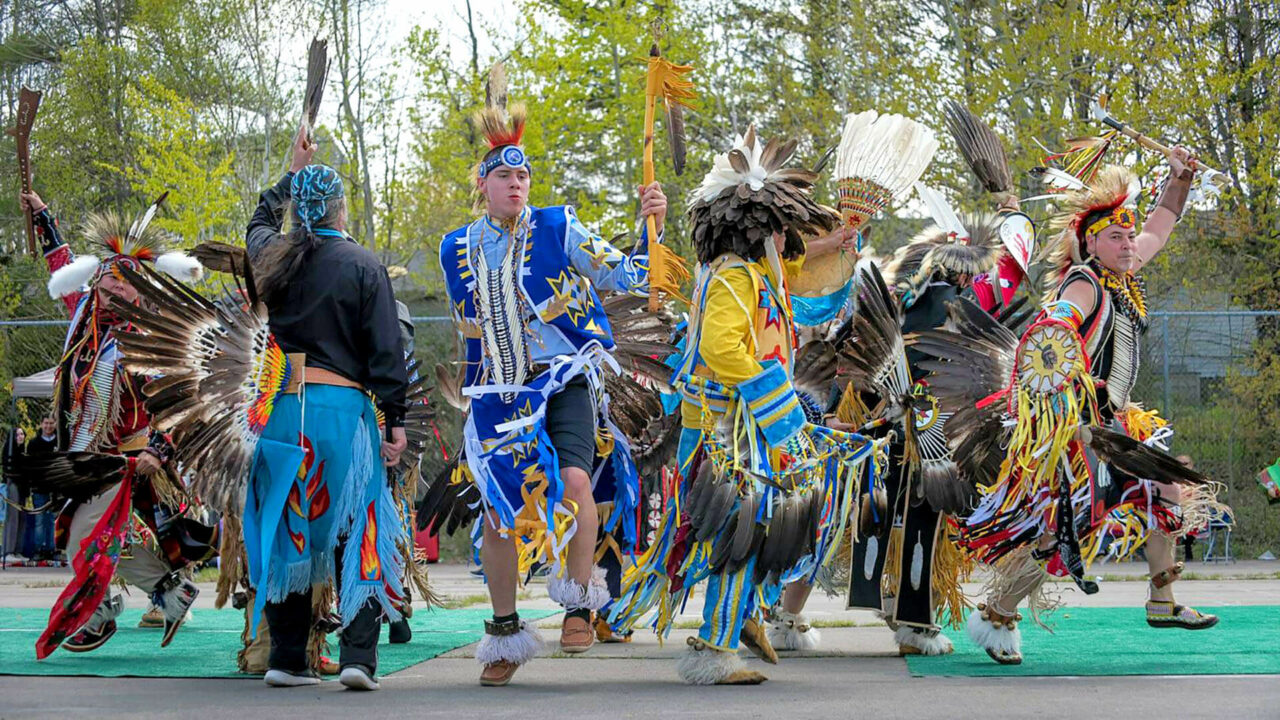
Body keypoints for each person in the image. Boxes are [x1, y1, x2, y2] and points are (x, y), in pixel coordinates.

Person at [912, 149, 1224, 665]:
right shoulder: (1085, 281)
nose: (1127, 245)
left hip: (1115, 423)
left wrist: (1180, 180)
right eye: (1116, 238)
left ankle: (1162, 599)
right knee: (1065, 531)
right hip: (1076, 431)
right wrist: (1060, 340)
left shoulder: (1121, 273)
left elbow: (1160, 228)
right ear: (1091, 243)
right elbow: (1054, 324)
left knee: (1166, 491)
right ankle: (997, 612)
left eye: (1129, 237)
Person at [609, 129, 880, 685]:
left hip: (742, 427)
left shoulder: (755, 275)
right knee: (746, 529)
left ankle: (747, 616)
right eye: (783, 229)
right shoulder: (735, 276)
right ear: (761, 231)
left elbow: (808, 280)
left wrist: (844, 240)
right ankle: (715, 648)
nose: (790, 240)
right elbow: (719, 349)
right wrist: (777, 406)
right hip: (728, 431)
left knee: (771, 525)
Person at [438, 71, 666, 687]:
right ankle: (506, 633)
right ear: (482, 184)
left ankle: (577, 604)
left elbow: (627, 276)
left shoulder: (558, 226)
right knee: (498, 514)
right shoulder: (454, 246)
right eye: (506, 177)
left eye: (524, 177)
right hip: (494, 392)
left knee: (572, 481)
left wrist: (652, 226)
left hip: (562, 379)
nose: (517, 185)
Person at [243, 123, 409, 691]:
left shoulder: (273, 257)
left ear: (299, 212)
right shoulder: (362, 265)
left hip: (284, 409)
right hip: (343, 414)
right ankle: (358, 657)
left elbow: (257, 225)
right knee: (357, 524)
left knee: (289, 524)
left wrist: (289, 173)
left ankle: (287, 658)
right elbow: (387, 351)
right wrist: (395, 420)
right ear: (339, 210)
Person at [17, 187, 207, 658]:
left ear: (138, 290)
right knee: (84, 536)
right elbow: (60, 264)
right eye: (105, 282)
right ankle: (168, 591)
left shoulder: (149, 335)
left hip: (128, 457)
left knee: (82, 535)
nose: (110, 289)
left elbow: (180, 400)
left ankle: (101, 611)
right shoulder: (85, 318)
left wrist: (158, 450)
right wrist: (44, 217)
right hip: (90, 454)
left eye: (122, 284)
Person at [23, 418, 58, 562]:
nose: (48, 426)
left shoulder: (60, 443)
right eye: (46, 423)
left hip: (55, 486)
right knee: (39, 519)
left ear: (55, 424)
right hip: (39, 487)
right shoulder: (33, 443)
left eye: (51, 423)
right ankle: (39, 549)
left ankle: (51, 548)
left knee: (52, 519)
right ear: (41, 424)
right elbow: (30, 465)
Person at [3, 427, 27, 562]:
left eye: (22, 434)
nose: (20, 436)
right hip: (12, 484)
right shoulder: (9, 450)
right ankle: (8, 550)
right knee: (12, 517)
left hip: (23, 486)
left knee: (22, 517)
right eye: (17, 434)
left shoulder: (24, 451)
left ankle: (18, 550)